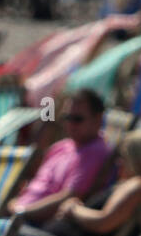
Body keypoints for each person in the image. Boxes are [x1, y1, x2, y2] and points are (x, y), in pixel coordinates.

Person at [19, 130, 141, 236]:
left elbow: (104, 222)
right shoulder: (132, 185)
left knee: (14, 233)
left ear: (136, 159)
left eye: (123, 157)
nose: (119, 162)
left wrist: (73, 209)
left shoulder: (137, 185)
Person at [8, 89, 111, 225]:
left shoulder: (94, 151)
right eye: (67, 118)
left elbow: (69, 197)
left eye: (77, 119)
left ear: (97, 120)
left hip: (32, 223)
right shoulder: (61, 146)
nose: (70, 124)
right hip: (18, 216)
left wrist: (22, 212)